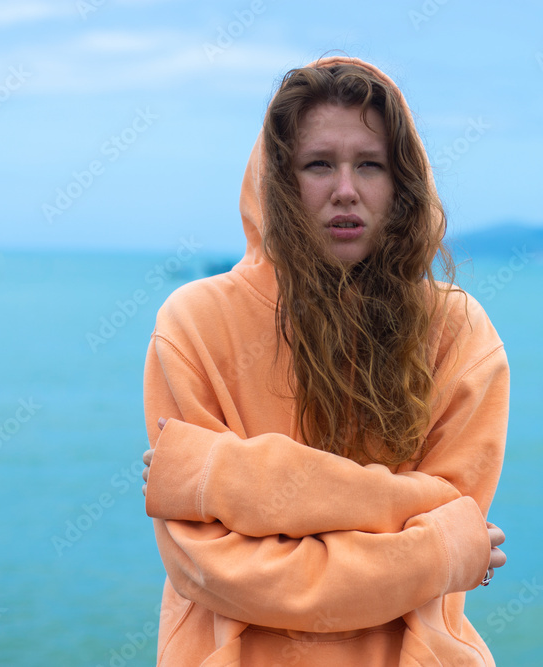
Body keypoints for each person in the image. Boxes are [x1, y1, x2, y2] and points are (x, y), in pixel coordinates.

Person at [140, 55, 510, 666]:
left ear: (402, 183)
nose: (346, 189)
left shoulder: (457, 333)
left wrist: (218, 477)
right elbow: (209, 570)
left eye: (370, 164)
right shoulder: (196, 324)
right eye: (318, 165)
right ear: (280, 183)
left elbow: (457, 511)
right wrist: (436, 550)